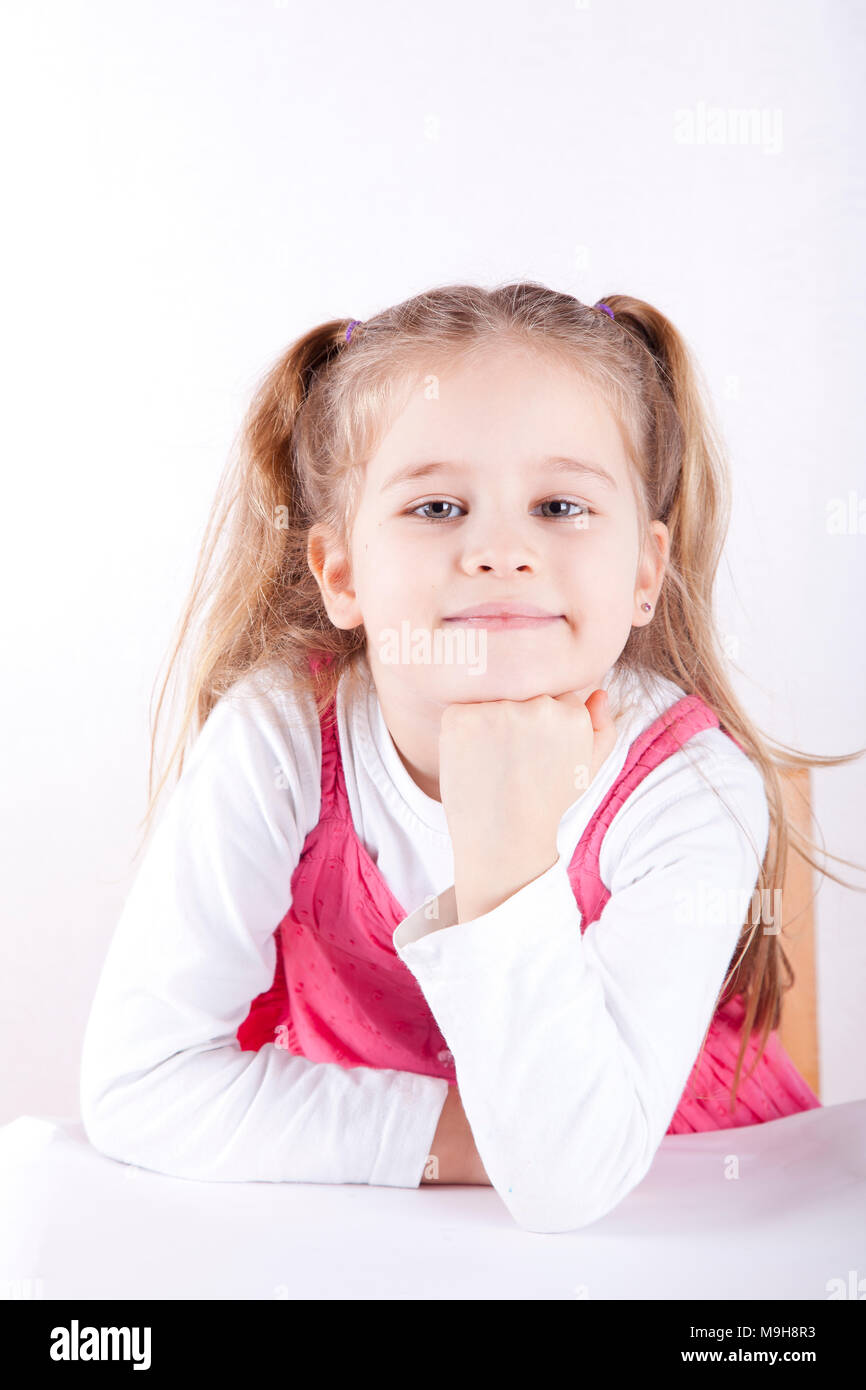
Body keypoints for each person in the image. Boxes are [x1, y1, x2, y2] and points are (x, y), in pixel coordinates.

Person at [79, 282, 865, 1234]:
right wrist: (477, 1141)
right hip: (378, 1229)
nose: (500, 550)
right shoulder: (281, 738)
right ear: (341, 573)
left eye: (561, 504)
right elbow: (140, 1080)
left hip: (682, 1218)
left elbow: (572, 1186)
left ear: (645, 572)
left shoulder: (690, 789)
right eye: (439, 505)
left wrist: (505, 864)